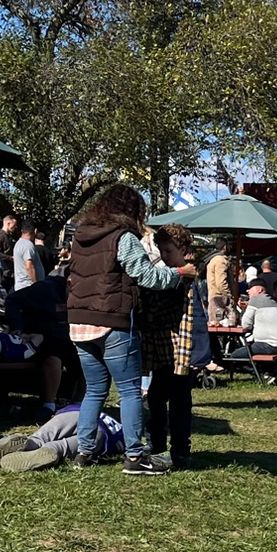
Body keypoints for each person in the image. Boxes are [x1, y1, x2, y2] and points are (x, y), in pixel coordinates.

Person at [65, 184, 194, 477]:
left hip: (78, 322)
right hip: (114, 322)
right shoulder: (123, 238)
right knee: (130, 391)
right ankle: (135, 457)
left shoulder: (80, 237)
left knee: (94, 390)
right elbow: (146, 276)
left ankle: (84, 452)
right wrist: (179, 274)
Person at [137, 222, 202, 469]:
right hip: (165, 347)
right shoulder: (169, 272)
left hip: (179, 348)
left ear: (183, 248)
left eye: (168, 251)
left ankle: (179, 450)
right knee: (156, 396)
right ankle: (160, 444)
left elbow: (171, 311)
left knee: (179, 401)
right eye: (162, 251)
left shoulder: (183, 276)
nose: (164, 256)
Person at [0, 406, 126, 471]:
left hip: (75, 410)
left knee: (42, 436)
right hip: (103, 432)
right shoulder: (123, 431)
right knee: (65, 446)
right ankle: (51, 450)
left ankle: (30, 443)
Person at [11, 215, 46, 292]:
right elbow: (29, 266)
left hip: (21, 286)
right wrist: (36, 285)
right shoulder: (28, 245)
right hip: (28, 287)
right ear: (35, 231)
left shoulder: (18, 244)